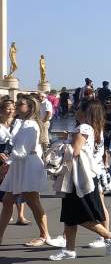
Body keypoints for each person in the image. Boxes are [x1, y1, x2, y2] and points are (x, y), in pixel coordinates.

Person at [49, 100, 111, 261]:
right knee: (69, 215)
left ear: (85, 112)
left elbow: (74, 151)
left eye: (78, 109)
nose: (76, 111)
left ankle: (109, 235)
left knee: (79, 215)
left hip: (78, 177)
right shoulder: (93, 129)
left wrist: (60, 144)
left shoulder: (83, 128)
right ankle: (69, 250)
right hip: (81, 176)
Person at [0, 96, 62, 248]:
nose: (16, 106)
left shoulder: (30, 124)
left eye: (20, 104)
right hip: (21, 164)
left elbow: (22, 149)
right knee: (9, 201)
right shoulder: (21, 123)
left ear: (29, 108)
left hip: (27, 164)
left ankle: (44, 235)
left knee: (32, 201)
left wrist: (7, 162)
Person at [0, 97, 28, 226]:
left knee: (18, 184)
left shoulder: (19, 123)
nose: (11, 110)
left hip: (15, 154)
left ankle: (21, 215)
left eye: (13, 108)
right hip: (2, 154)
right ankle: (6, 211)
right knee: (3, 185)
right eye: (8, 108)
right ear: (1, 110)